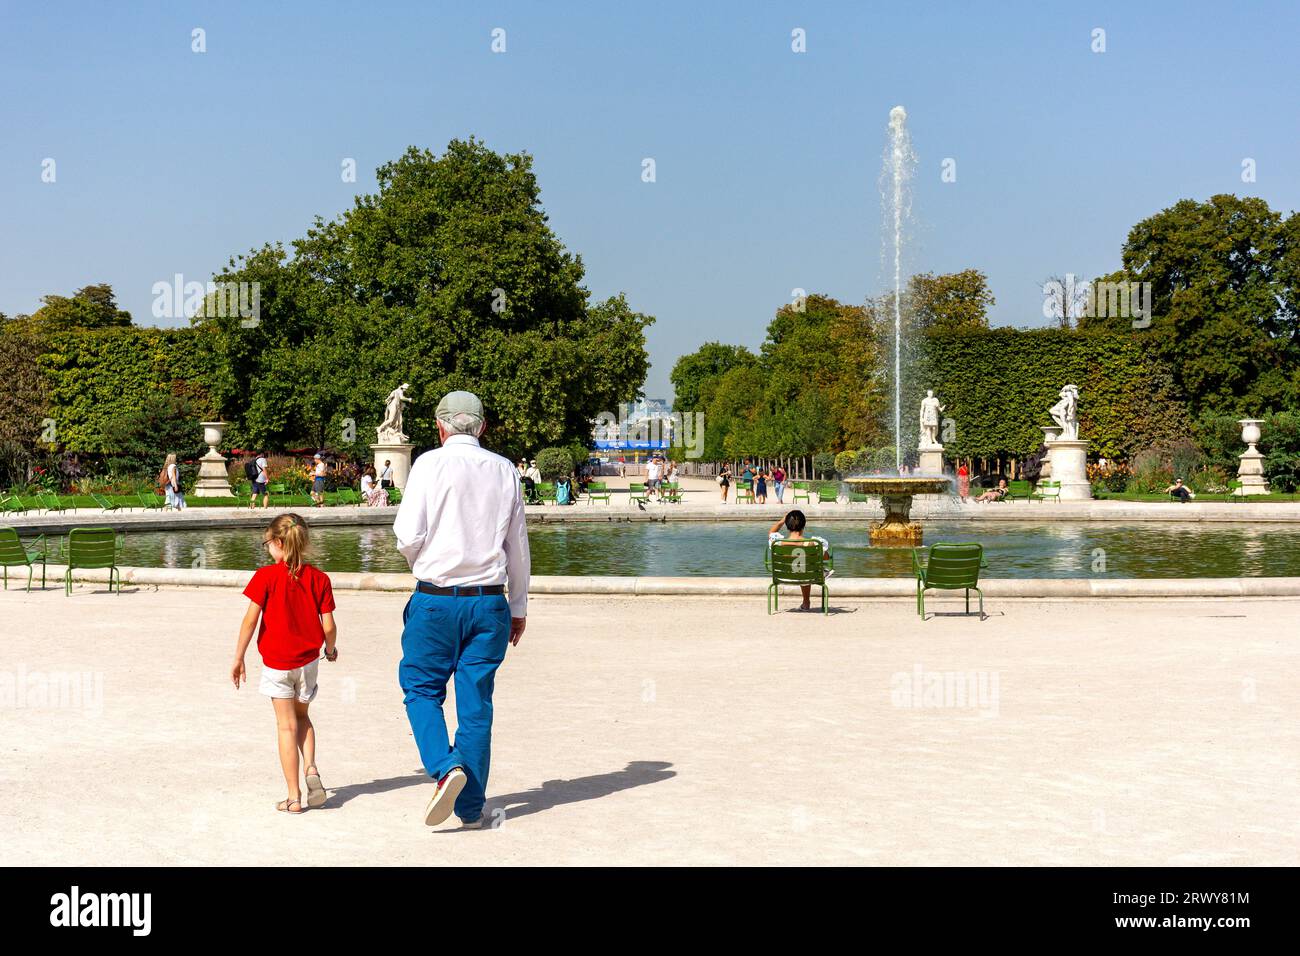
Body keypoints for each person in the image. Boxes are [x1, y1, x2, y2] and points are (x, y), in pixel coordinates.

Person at [393, 391, 530, 829]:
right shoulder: (505, 469)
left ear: (440, 426)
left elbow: (407, 535)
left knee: (420, 688)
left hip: (436, 598)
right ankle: (471, 806)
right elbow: (518, 548)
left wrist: (428, 569)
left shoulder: (428, 465)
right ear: (483, 428)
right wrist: (518, 607)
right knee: (476, 704)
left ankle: (443, 765)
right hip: (490, 602)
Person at [230, 514, 338, 814]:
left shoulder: (265, 577)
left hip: (278, 663)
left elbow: (250, 621)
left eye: (267, 543)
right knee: (303, 718)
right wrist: (330, 650)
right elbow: (328, 626)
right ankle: (312, 769)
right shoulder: (320, 578)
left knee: (286, 726)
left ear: (278, 543)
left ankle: (293, 797)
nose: (267, 549)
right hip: (308, 662)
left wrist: (238, 657)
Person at [767, 510, 832, 611]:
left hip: (784, 576)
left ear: (787, 526)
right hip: (807, 577)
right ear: (804, 525)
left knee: (801, 567)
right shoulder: (813, 543)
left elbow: (771, 532)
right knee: (805, 567)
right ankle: (806, 603)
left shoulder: (777, 543)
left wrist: (781, 521)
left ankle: (805, 603)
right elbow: (827, 557)